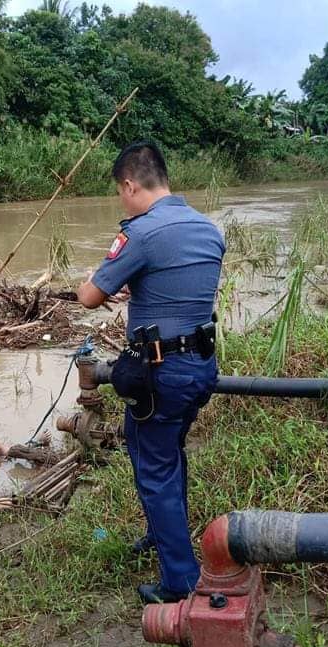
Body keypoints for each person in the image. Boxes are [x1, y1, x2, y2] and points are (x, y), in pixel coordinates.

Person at [77, 140, 224, 605]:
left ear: (130, 184)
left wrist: (107, 280)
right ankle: (164, 536)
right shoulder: (207, 228)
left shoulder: (141, 233)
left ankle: (180, 582)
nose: (123, 201)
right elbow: (177, 286)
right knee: (170, 454)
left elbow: (89, 297)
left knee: (153, 468)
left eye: (121, 193)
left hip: (161, 375)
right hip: (201, 367)